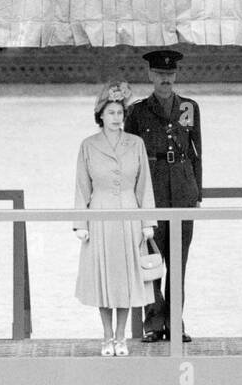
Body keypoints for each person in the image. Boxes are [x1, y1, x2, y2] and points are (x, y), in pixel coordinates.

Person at [74, 81, 157, 356]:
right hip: (100, 215)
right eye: (110, 113)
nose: (116, 118)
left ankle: (121, 336)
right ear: (101, 115)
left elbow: (144, 185)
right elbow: (81, 186)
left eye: (119, 113)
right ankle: (106, 335)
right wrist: (81, 224)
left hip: (130, 216)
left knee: (124, 279)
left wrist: (147, 223)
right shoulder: (88, 146)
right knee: (103, 277)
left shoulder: (135, 144)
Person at [124, 50, 201, 343]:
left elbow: (197, 153)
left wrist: (197, 192)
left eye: (170, 75)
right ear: (150, 76)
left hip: (182, 187)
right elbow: (130, 156)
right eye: (159, 75)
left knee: (178, 261)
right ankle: (154, 323)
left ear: (176, 76)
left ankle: (175, 322)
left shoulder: (190, 108)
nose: (165, 80)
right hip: (151, 188)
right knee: (152, 260)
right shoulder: (138, 111)